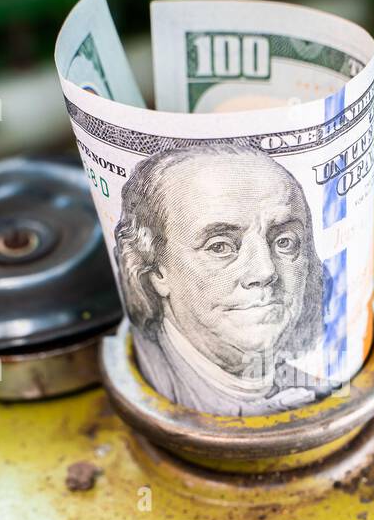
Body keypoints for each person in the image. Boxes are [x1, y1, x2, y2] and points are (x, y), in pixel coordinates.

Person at [113, 143, 327, 415]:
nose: (265, 271)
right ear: (156, 270)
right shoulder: (154, 381)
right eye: (219, 246)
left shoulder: (321, 388)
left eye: (285, 242)